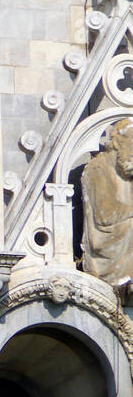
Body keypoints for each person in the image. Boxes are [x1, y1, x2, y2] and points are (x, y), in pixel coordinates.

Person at [81, 119, 133, 286]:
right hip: (107, 242)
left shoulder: (126, 169)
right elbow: (105, 215)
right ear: (117, 143)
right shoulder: (98, 168)